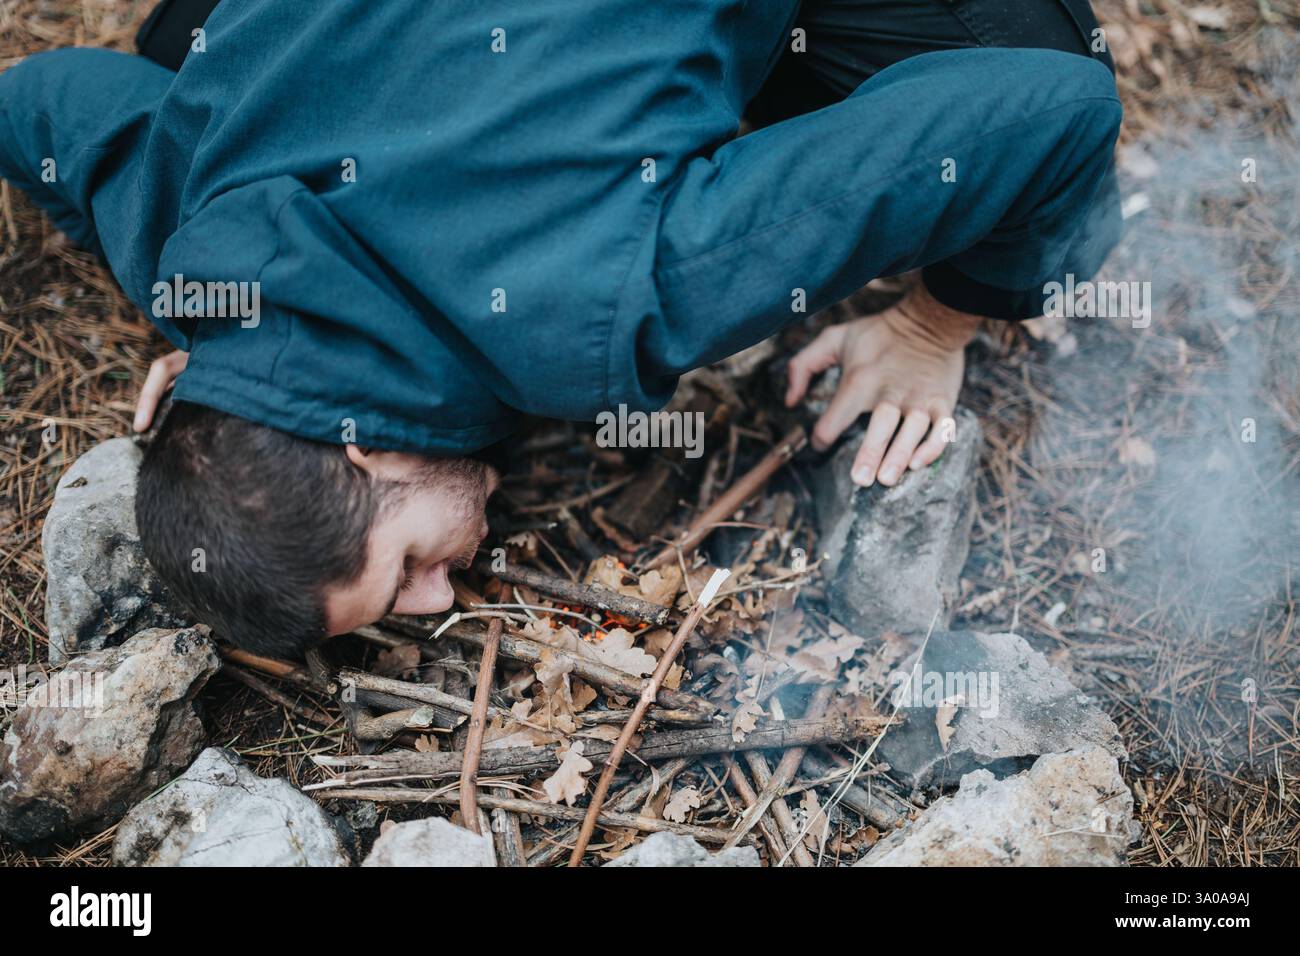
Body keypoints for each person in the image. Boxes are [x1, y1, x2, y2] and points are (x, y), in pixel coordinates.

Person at [0, 0, 1121, 656]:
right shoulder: (177, 238)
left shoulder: (606, 301)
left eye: (400, 576)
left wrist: (938, 319)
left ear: (364, 448)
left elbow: (1054, 113)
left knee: (1032, 44)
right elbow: (35, 102)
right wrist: (236, 362)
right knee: (184, 48)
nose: (435, 603)